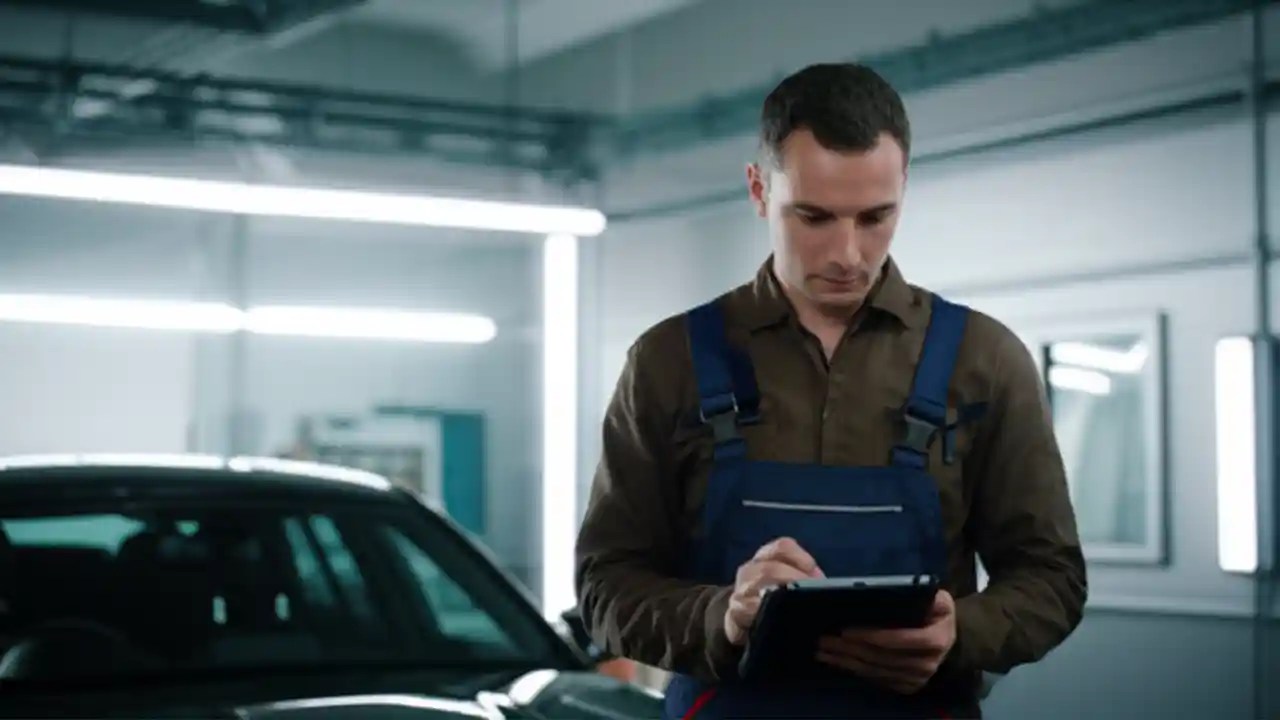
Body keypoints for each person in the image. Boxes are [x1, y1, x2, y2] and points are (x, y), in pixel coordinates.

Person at [574, 62, 1088, 720]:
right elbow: (606, 584)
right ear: (759, 190)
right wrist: (720, 618)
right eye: (813, 217)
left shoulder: (983, 361)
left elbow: (1053, 578)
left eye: (876, 217)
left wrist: (963, 630)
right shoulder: (667, 362)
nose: (848, 253)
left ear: (904, 189)